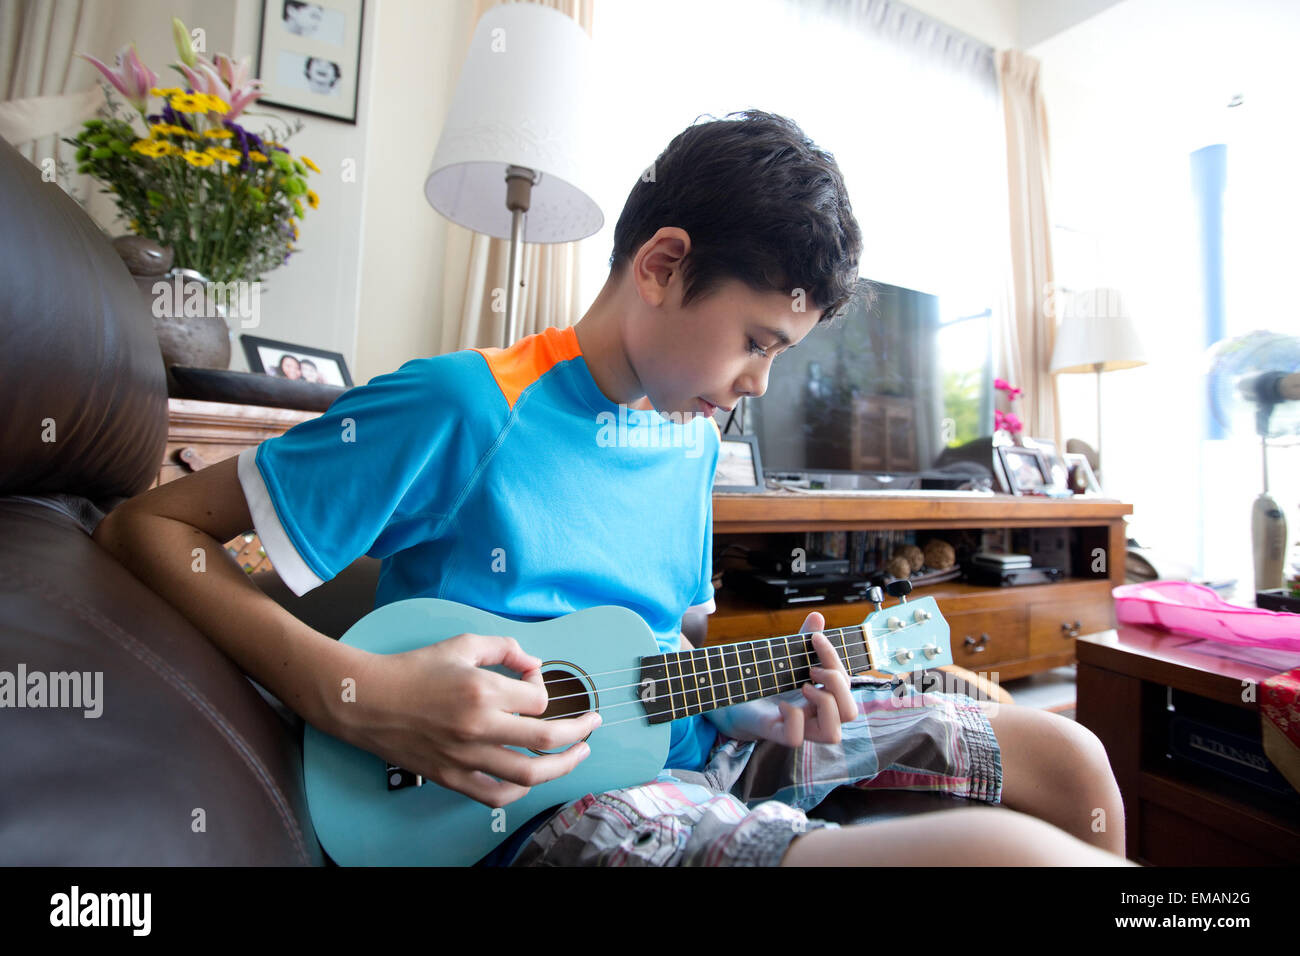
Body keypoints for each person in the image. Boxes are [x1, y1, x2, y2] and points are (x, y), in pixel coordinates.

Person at [92, 110, 1131, 867]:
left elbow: (661, 652)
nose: (758, 384)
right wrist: (347, 691)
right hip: (532, 810)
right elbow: (154, 523)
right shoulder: (466, 404)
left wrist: (761, 710)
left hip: (688, 758)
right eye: (756, 342)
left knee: (1071, 761)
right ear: (663, 265)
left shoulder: (684, 445)